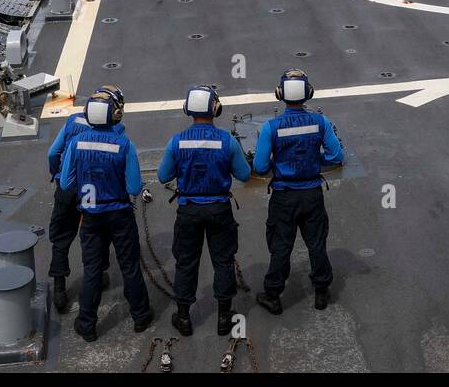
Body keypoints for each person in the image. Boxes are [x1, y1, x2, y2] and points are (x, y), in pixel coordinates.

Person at [58, 85, 152, 341]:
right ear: (116, 115)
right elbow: (134, 187)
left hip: (90, 215)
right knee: (130, 267)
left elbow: (66, 184)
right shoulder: (125, 144)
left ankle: (87, 324)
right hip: (119, 214)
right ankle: (141, 317)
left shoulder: (76, 143)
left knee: (92, 270)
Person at [157, 85, 251, 337]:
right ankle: (223, 318)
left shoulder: (176, 141)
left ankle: (184, 317)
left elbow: (163, 175)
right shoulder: (228, 141)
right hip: (219, 208)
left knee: (186, 262)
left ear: (188, 110)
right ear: (216, 109)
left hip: (188, 210)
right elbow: (244, 174)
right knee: (223, 261)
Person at [253, 69, 343, 315]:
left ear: (280, 94)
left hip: (284, 196)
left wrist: (280, 166)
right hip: (312, 193)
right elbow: (336, 156)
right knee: (316, 243)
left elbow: (260, 167)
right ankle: (321, 291)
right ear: (308, 93)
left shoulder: (271, 127)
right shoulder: (320, 122)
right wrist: (314, 162)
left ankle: (273, 295)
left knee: (281, 246)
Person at [45, 86, 121, 313]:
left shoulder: (72, 121)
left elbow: (53, 153)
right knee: (98, 233)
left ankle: (59, 289)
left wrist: (57, 175)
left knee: (61, 237)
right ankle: (98, 275)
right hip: (95, 190)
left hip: (66, 188)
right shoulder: (117, 129)